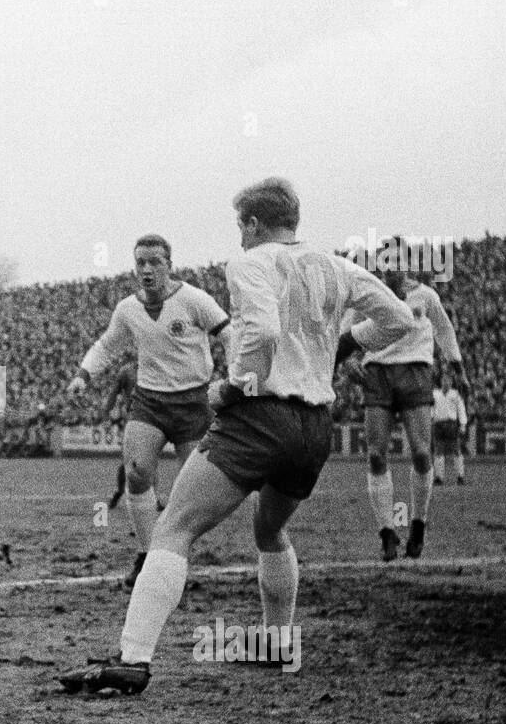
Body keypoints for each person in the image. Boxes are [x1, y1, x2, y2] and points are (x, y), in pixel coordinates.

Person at [59, 177, 413, 695]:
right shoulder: (336, 265)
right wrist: (345, 342)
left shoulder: (250, 262)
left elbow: (263, 332)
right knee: (270, 530)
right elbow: (399, 319)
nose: (239, 236)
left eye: (239, 225)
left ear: (251, 223)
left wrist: (234, 387)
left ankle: (133, 658)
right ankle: (279, 642)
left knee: (174, 527)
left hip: (260, 417)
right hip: (315, 428)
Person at [68, 236, 231, 588]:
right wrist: (83, 374)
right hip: (150, 401)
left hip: (194, 402)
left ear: (169, 264)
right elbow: (107, 345)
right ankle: (146, 555)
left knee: (192, 490)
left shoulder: (193, 299)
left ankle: (175, 555)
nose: (146, 269)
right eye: (140, 262)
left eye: (154, 262)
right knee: (138, 472)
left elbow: (229, 334)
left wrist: (238, 376)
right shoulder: (128, 308)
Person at [340, 258, 467, 559]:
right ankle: (387, 532)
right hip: (377, 374)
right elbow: (344, 330)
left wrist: (459, 368)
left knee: (423, 453)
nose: (389, 270)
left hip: (416, 373)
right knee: (375, 454)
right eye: (384, 264)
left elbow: (445, 331)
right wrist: (347, 361)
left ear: (406, 265)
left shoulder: (425, 295)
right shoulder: (368, 295)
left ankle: (418, 525)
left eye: (395, 263)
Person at [102, 360, 138, 510]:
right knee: (129, 459)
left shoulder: (158, 366)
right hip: (133, 418)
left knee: (147, 459)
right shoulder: (127, 371)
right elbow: (112, 394)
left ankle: (152, 497)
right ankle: (120, 491)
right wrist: (106, 417)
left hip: (150, 418)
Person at [431, 370, 468, 484]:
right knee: (438, 451)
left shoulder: (456, 394)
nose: (446, 382)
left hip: (451, 424)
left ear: (451, 382)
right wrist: (430, 419)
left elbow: (461, 409)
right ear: (441, 381)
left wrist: (462, 424)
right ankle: (439, 478)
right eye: (444, 380)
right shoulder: (434, 394)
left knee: (456, 450)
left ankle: (460, 477)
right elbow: (431, 409)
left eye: (448, 380)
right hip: (438, 424)